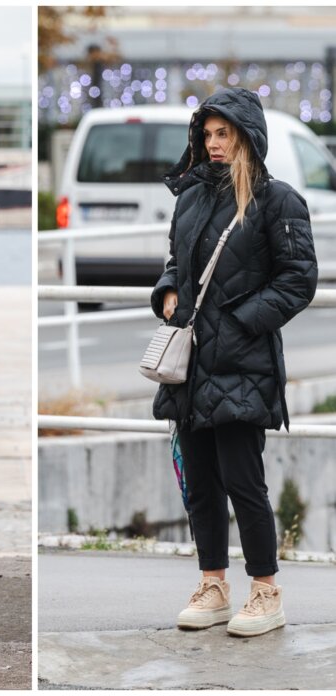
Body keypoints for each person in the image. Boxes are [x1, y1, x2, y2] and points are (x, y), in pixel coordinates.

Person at [151, 88, 317, 637]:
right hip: (193, 363)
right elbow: (176, 260)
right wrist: (169, 291)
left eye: (224, 133)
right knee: (198, 482)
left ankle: (266, 591)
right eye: (207, 134)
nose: (214, 143)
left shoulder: (278, 201)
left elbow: (298, 280)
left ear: (247, 135)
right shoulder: (193, 195)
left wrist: (241, 320)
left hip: (243, 362)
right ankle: (214, 584)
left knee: (244, 481)